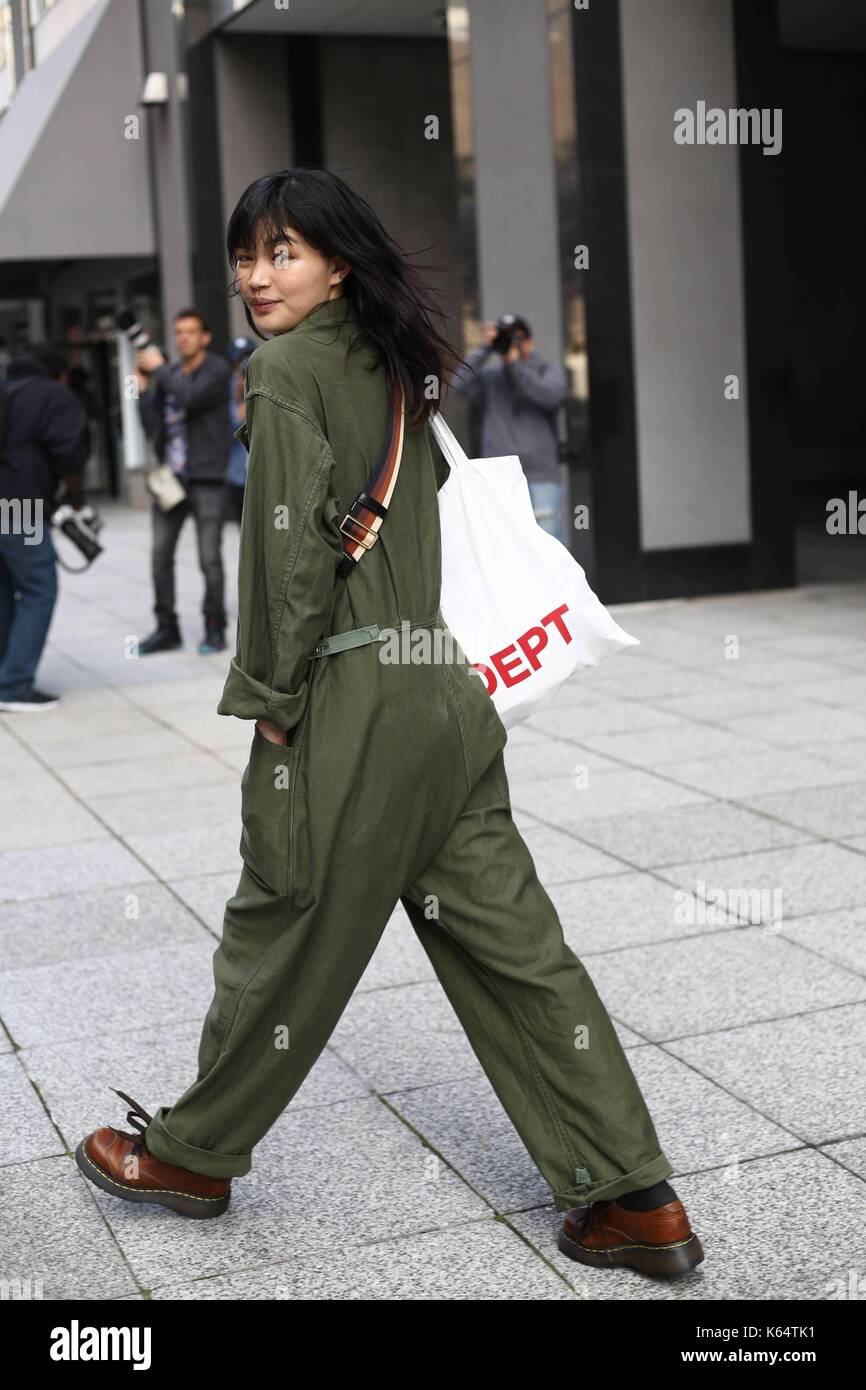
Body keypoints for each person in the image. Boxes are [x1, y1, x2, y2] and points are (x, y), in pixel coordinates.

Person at [76, 167, 703, 1280]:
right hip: (445, 695)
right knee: (517, 951)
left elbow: (284, 565)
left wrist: (269, 711)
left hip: (350, 701)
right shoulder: (395, 364)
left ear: (337, 263)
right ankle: (633, 1197)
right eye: (247, 254)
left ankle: (190, 1154)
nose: (254, 275)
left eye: (281, 253)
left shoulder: (283, 374)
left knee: (280, 933)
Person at [135, 308, 232, 655]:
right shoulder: (169, 374)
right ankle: (166, 629)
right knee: (160, 555)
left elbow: (190, 398)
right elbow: (151, 427)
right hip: (170, 480)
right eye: (179, 332)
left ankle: (215, 626)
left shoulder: (217, 370)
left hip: (206, 477)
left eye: (191, 331)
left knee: (209, 558)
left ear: (205, 337)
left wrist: (158, 370)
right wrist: (145, 390)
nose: (184, 338)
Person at [0, 345, 87, 712]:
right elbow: (70, 450)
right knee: (39, 585)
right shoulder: (51, 393)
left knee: (4, 587)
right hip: (21, 503)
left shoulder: (5, 389)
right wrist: (70, 493)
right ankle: (14, 684)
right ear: (59, 374)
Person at [450, 314, 569, 544]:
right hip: (500, 477)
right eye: (509, 339)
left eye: (520, 338)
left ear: (530, 342)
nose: (514, 344)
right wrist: (485, 348)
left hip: (541, 475)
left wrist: (515, 366)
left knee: (549, 545)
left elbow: (550, 396)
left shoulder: (548, 371)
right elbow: (458, 384)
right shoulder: (491, 378)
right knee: (506, 545)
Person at [224, 336, 255, 524]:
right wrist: (242, 396)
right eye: (239, 361)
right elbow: (231, 425)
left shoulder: (271, 381)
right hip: (239, 476)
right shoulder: (229, 389)